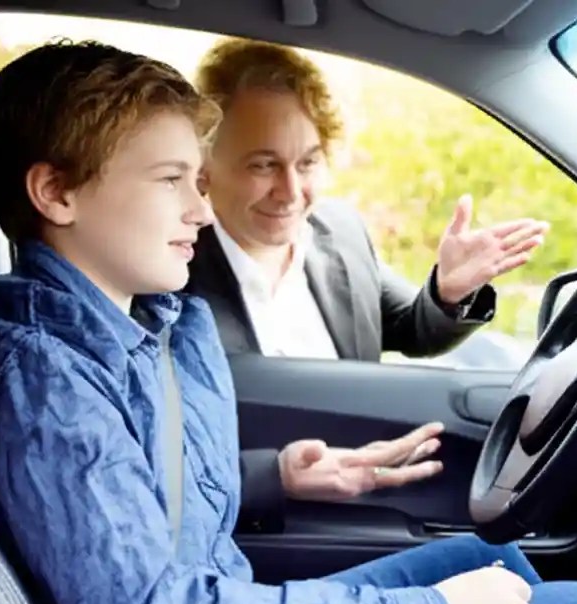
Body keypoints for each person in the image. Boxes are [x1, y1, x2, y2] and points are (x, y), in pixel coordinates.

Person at [0, 40, 577, 604]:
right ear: (56, 192)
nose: (199, 208)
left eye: (195, 178)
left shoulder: (137, 327)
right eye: (170, 180)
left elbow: (142, 498)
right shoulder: (46, 383)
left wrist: (279, 475)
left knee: (486, 558)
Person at [187, 38, 549, 362]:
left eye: (308, 163)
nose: (291, 192)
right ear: (203, 166)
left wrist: (448, 292)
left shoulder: (339, 231)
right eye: (263, 165)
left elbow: (410, 328)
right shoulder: (172, 272)